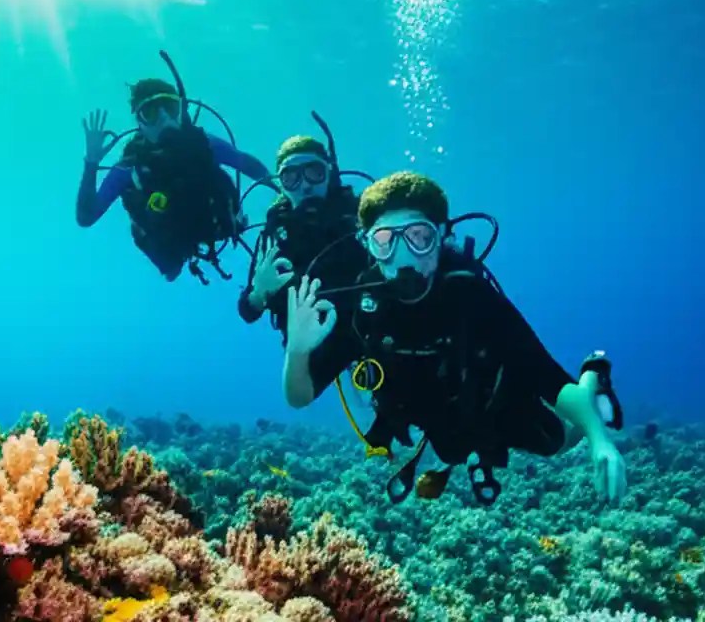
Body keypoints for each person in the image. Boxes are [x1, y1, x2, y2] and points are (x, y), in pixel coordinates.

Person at [280, 171, 628, 506]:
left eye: (418, 237)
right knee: (451, 450)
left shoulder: (471, 297)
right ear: (368, 246)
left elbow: (549, 379)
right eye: (385, 241)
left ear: (442, 236)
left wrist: (600, 441)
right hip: (433, 418)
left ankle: (593, 380)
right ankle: (586, 410)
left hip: (491, 402)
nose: (402, 257)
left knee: (559, 442)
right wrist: (297, 351)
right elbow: (300, 395)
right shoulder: (365, 311)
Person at [76, 77, 270, 283]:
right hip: (168, 239)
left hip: (213, 224)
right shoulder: (131, 166)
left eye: (169, 108)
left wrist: (283, 189)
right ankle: (170, 263)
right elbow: (86, 217)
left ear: (180, 111)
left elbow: (248, 165)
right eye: (150, 113)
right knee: (169, 265)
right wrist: (91, 163)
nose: (163, 119)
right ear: (140, 123)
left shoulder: (204, 145)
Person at [238, 134, 370, 343]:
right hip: (312, 347)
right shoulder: (276, 236)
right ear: (281, 186)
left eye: (314, 172)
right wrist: (259, 293)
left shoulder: (363, 216)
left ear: (330, 173)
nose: (305, 185)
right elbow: (248, 312)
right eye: (291, 178)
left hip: (372, 328)